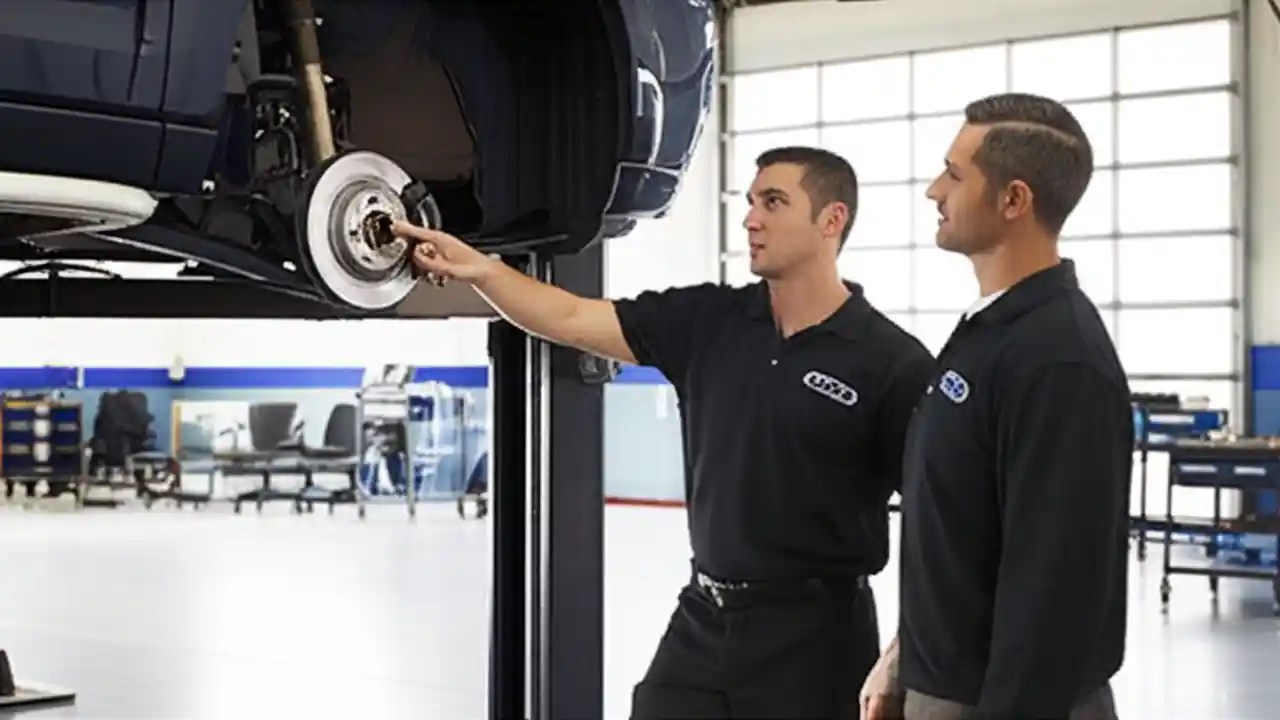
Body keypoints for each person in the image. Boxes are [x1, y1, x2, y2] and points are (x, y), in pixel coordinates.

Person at [393, 146, 935, 719]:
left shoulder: (891, 363)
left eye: (774, 203)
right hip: (704, 616)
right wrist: (479, 268)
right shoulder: (708, 321)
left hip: (818, 636)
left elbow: (938, 527)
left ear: (832, 221)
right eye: (751, 202)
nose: (752, 218)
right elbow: (571, 318)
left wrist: (900, 655)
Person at [859, 93, 1132, 720]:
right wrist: (905, 656)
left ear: (1013, 200)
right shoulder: (990, 334)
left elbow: (1054, 588)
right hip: (946, 685)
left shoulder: (1059, 360)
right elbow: (961, 528)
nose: (934, 190)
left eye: (954, 175)